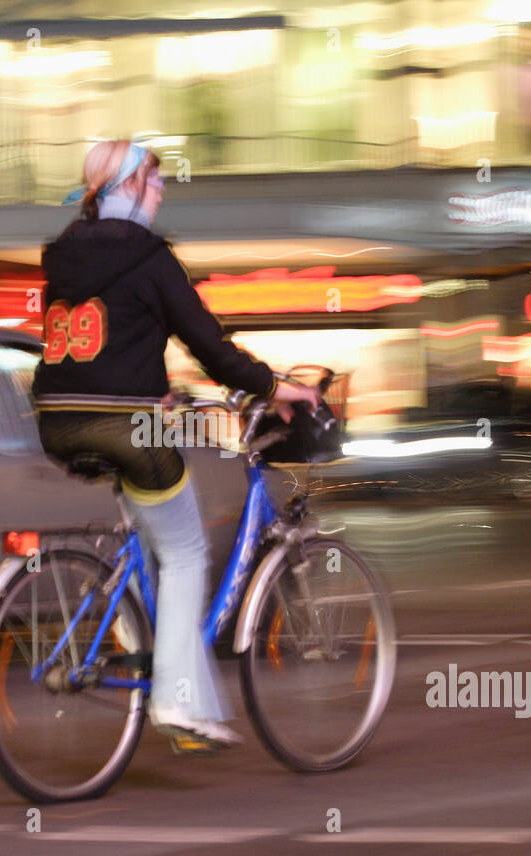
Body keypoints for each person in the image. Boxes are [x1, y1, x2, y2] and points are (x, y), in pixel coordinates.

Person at [34, 139, 320, 753]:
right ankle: (175, 702)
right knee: (188, 551)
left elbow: (94, 338)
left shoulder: (60, 254)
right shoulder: (149, 256)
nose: (162, 191)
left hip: (57, 420)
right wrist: (275, 387)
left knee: (154, 542)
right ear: (131, 185)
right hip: (129, 427)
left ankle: (166, 683)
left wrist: (149, 391)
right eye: (155, 180)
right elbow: (209, 346)